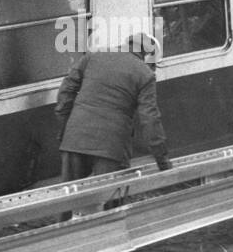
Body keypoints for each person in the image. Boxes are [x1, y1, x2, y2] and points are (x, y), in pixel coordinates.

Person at [54, 33, 171, 180]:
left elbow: (65, 93)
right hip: (111, 147)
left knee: (70, 199)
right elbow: (150, 119)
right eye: (153, 64)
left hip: (74, 141)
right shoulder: (145, 74)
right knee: (112, 199)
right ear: (148, 54)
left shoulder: (93, 56)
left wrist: (66, 131)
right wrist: (163, 161)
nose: (152, 68)